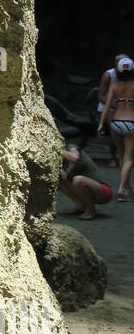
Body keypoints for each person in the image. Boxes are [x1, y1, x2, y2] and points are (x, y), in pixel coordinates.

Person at [99, 55, 134, 200]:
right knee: (129, 158)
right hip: (131, 122)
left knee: (121, 156)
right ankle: (122, 187)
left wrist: (101, 124)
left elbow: (106, 106)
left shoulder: (114, 86)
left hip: (115, 123)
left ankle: (126, 189)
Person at [58, 144, 114, 219]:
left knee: (78, 180)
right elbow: (64, 178)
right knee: (56, 180)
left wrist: (59, 151)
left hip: (104, 190)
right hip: (86, 189)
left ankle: (90, 211)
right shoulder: (60, 161)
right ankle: (80, 205)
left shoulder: (71, 147)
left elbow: (75, 157)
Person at [97, 54, 129, 166]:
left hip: (125, 107)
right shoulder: (108, 75)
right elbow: (100, 96)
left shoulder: (129, 74)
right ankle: (113, 158)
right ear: (116, 65)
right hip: (107, 107)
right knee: (116, 127)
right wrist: (115, 104)